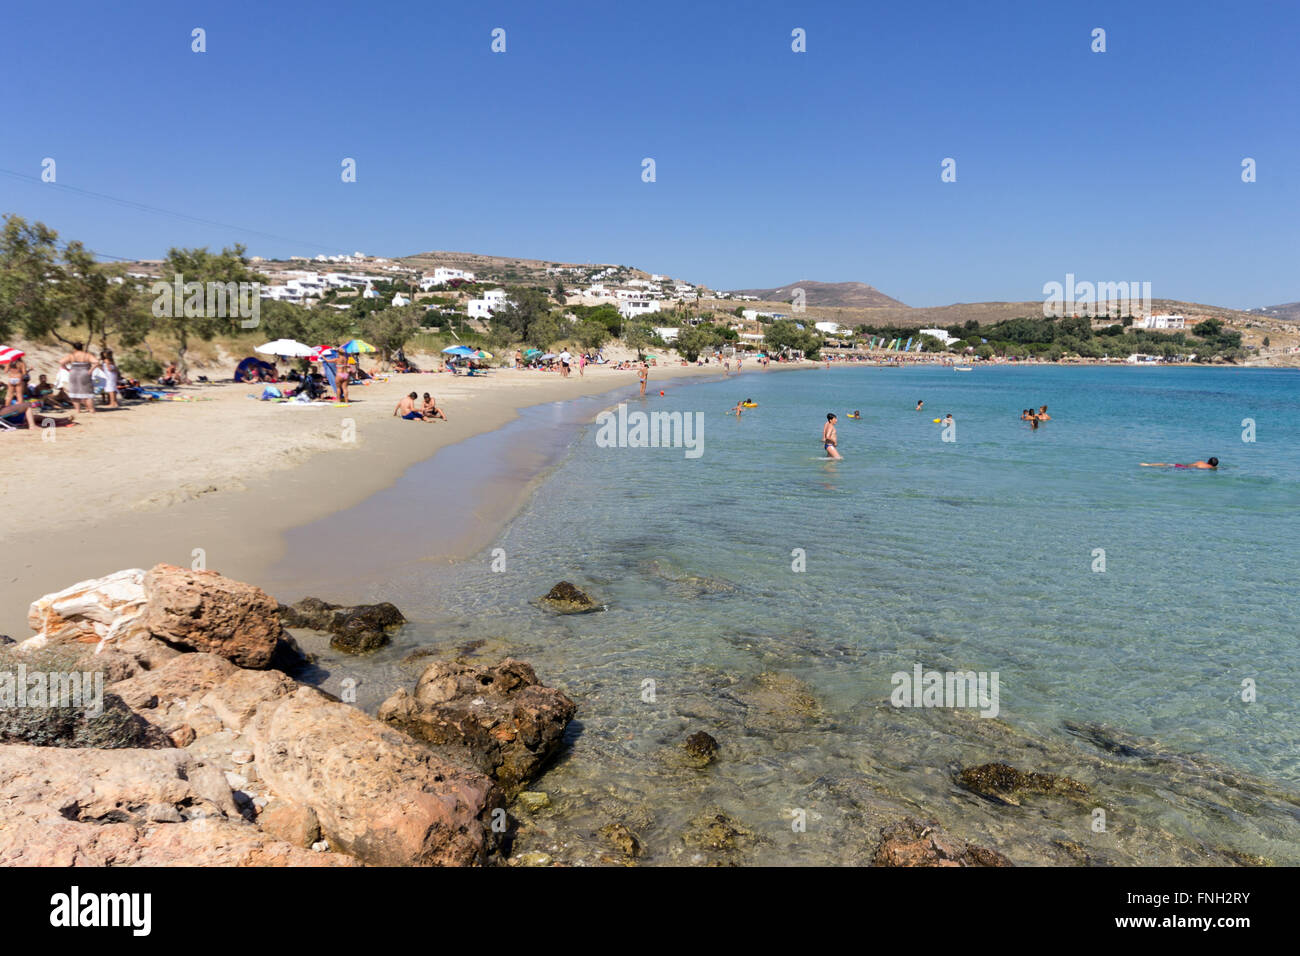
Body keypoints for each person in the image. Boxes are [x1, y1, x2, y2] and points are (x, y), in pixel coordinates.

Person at [59, 342, 98, 415]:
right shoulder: (87, 355)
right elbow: (96, 362)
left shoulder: (72, 355)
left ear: (74, 348)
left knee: (74, 392)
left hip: (74, 373)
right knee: (87, 392)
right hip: (85, 372)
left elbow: (61, 362)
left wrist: (67, 369)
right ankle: (91, 410)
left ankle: (78, 410)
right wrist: (90, 370)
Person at [1141, 458, 1219, 469]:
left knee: (1165, 464)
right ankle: (1148, 465)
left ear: (1208, 461)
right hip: (1187, 470)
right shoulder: (1212, 468)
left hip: (1183, 467)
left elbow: (1190, 465)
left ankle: (1148, 464)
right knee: (1166, 466)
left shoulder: (1201, 462)